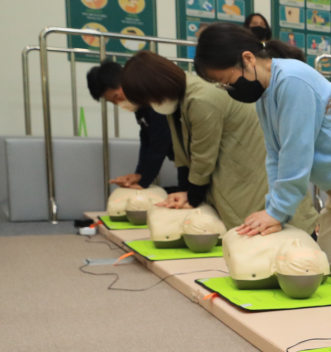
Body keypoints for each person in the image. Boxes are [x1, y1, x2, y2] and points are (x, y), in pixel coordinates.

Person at [192, 23, 331, 283]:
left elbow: (297, 154)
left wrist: (276, 213)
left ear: (248, 59)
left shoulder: (293, 80)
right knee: (322, 267)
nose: (229, 88)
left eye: (226, 80)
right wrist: (274, 209)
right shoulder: (265, 94)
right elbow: (275, 155)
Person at [119, 50, 315, 231]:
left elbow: (203, 155)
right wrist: (185, 192)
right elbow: (182, 150)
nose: (150, 105)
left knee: (273, 229)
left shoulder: (201, 99)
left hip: (250, 168)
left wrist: (191, 197)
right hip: (238, 168)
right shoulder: (176, 97)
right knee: (256, 229)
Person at [86, 60, 172, 189]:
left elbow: (160, 143)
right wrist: (139, 174)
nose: (119, 103)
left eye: (117, 96)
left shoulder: (155, 95)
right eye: (113, 102)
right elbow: (146, 139)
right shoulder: (140, 104)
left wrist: (143, 182)